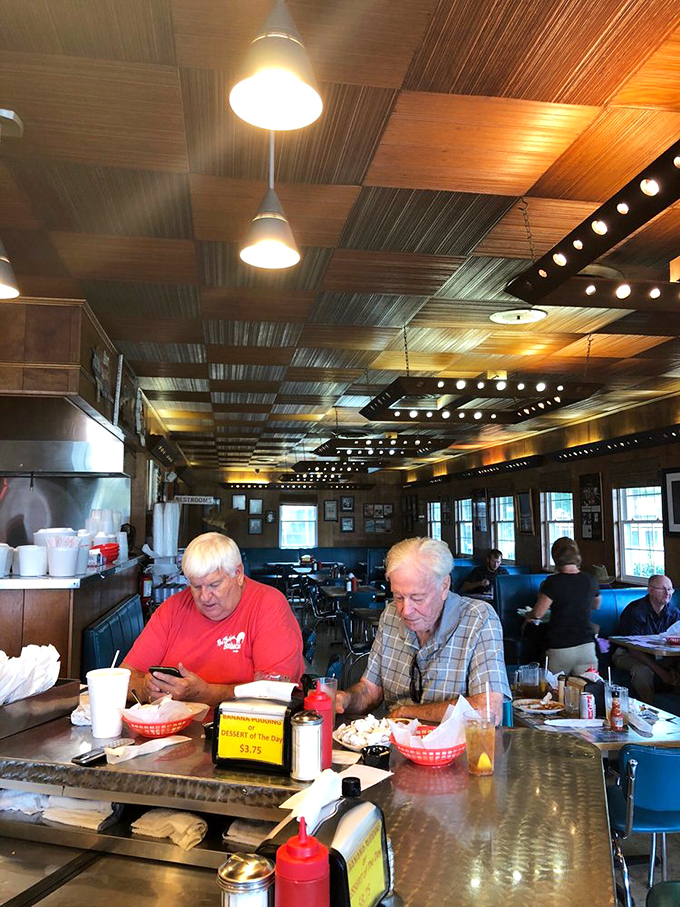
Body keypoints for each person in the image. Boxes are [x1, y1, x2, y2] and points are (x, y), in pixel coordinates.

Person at [336, 537, 511, 725]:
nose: (405, 610)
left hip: (455, 750)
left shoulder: (479, 619)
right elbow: (371, 691)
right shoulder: (390, 615)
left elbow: (487, 710)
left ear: (444, 587)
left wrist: (406, 713)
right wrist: (345, 699)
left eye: (417, 598)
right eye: (398, 596)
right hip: (397, 746)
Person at [121, 532, 304, 707]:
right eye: (196, 586)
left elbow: (276, 693)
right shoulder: (172, 608)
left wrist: (208, 694)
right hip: (173, 731)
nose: (205, 597)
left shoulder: (268, 605)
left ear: (238, 574)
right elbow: (124, 679)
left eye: (214, 585)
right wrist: (147, 690)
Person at [524, 538, 600, 675]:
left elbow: (538, 614)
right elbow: (597, 604)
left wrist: (528, 615)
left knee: (553, 693)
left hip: (561, 647)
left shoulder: (553, 582)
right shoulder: (590, 579)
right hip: (587, 646)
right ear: (577, 555)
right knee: (586, 692)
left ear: (556, 557)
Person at [612, 575, 680, 704]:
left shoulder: (673, 612)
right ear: (650, 590)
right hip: (627, 654)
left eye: (670, 589)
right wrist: (662, 673)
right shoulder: (635, 611)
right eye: (662, 589)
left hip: (659, 656)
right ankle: (648, 709)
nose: (668, 593)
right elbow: (633, 650)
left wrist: (672, 666)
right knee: (643, 671)